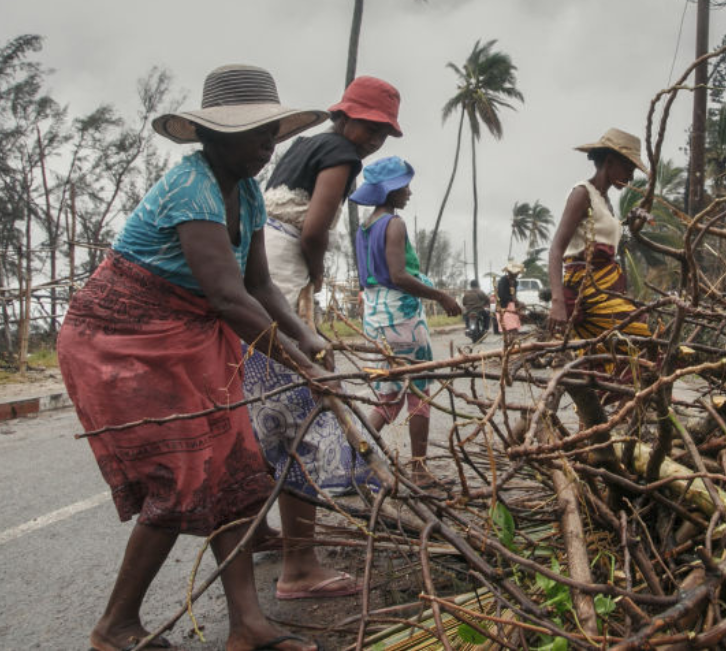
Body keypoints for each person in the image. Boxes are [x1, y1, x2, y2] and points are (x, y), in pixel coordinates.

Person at [58, 64, 326, 651]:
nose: (267, 145)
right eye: (255, 134)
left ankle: (248, 625)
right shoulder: (192, 186)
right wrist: (300, 367)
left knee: (233, 468)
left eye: (271, 132)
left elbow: (261, 286)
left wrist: (310, 341)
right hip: (121, 338)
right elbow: (229, 296)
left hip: (189, 334)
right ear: (213, 137)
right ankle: (115, 625)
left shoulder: (250, 193)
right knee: (182, 475)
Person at [240, 76, 401, 600]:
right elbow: (314, 230)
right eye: (371, 127)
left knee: (262, 413)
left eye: (384, 133)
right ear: (347, 117)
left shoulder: (303, 145)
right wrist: (316, 275)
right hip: (282, 274)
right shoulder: (342, 153)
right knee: (300, 417)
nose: (374, 139)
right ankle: (299, 567)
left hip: (258, 268)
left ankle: (261, 532)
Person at [351, 157, 462, 489]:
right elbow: (399, 276)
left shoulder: (364, 228)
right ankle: (419, 470)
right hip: (403, 318)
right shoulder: (394, 224)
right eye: (406, 186)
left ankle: (355, 464)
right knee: (418, 391)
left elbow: (367, 280)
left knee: (388, 395)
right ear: (391, 190)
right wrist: (441, 295)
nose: (410, 192)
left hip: (377, 317)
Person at [547, 127, 654, 356]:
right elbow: (556, 249)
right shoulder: (582, 193)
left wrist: (633, 221)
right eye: (628, 168)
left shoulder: (605, 202)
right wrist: (557, 301)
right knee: (643, 331)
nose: (631, 177)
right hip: (588, 289)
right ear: (609, 161)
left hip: (607, 288)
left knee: (615, 352)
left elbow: (610, 241)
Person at [495, 261, 523, 336]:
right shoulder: (503, 280)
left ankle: (514, 345)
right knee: (510, 329)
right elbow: (501, 295)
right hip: (503, 308)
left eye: (517, 273)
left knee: (515, 329)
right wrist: (513, 300)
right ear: (510, 272)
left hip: (512, 308)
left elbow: (514, 295)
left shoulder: (515, 282)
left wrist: (517, 303)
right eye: (515, 273)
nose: (516, 274)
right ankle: (510, 344)